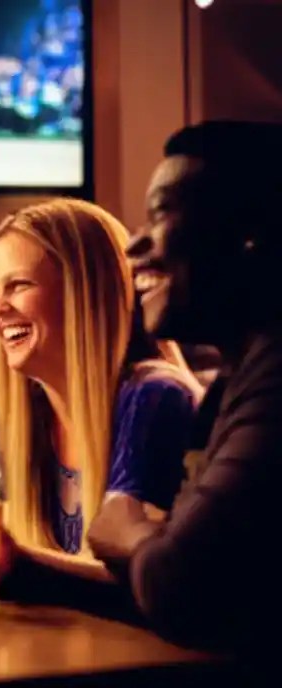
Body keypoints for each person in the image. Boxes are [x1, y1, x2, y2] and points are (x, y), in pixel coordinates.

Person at [89, 121, 282, 656]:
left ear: (249, 235)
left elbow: (184, 585)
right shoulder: (238, 375)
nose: (135, 244)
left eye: (160, 214)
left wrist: (128, 532)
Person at [0, 198, 198, 586]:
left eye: (18, 285)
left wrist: (11, 560)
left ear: (85, 293)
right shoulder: (26, 418)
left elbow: (143, 586)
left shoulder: (154, 396)